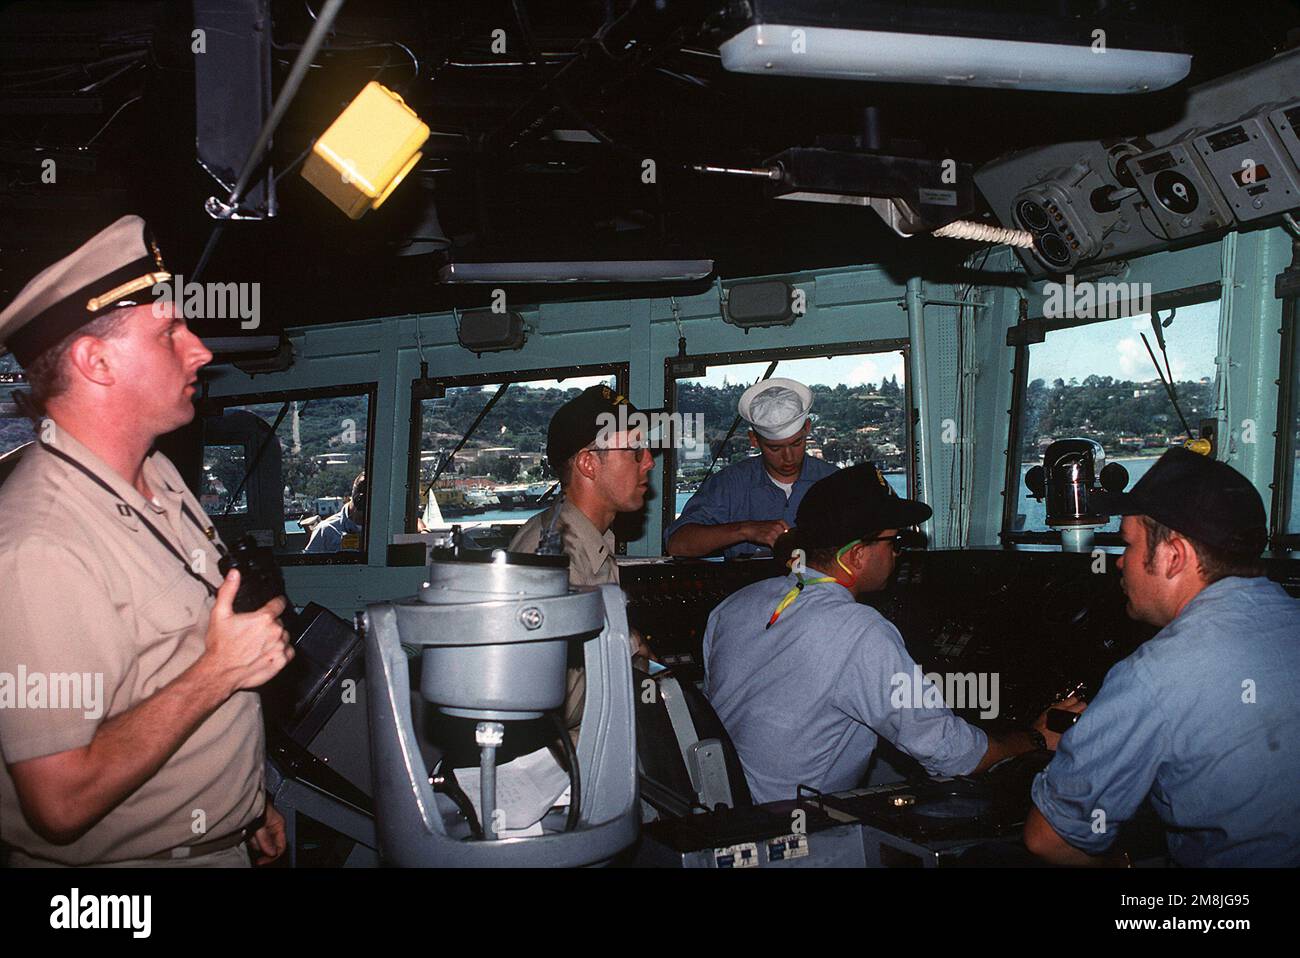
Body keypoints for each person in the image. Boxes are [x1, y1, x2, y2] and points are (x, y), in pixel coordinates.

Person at [0, 215, 293, 867]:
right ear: (95, 360)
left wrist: (245, 803)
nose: (201, 350)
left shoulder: (154, 473)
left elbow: (166, 663)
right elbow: (59, 801)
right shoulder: (40, 546)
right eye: (169, 333)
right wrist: (219, 672)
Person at [702, 464, 1079, 804]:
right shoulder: (859, 630)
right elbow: (953, 756)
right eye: (893, 542)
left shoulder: (734, 606)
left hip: (734, 809)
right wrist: (1036, 739)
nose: (898, 554)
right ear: (856, 555)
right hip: (794, 830)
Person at [1024, 449, 1300, 867]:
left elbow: (1047, 838)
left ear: (1173, 556)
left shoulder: (1154, 675)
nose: (1119, 562)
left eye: (1128, 545)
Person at [511, 385, 654, 729]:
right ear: (589, 463)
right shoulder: (554, 556)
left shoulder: (592, 541)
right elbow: (552, 701)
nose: (649, 461)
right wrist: (634, 652)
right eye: (635, 451)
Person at [665, 377, 838, 559]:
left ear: (807, 428)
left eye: (796, 443)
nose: (788, 457)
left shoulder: (834, 483)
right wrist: (745, 530)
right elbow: (677, 544)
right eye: (775, 448)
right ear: (754, 439)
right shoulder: (730, 484)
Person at [304, 471, 366, 553]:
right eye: (361, 488)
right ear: (354, 490)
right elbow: (309, 563)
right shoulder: (325, 530)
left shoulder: (383, 532)